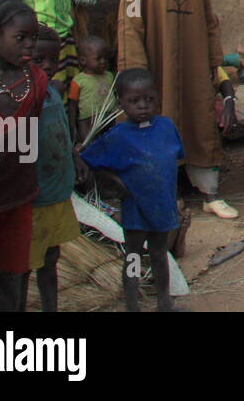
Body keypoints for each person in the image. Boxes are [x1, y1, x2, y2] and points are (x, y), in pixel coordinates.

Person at [118, 0, 238, 219]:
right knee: (160, 115)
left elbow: (209, 17)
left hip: (195, 57)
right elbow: (129, 15)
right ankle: (162, 192)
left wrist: (214, 63)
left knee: (198, 113)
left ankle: (209, 191)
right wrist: (134, 70)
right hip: (155, 57)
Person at [81, 69, 186, 312]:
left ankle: (164, 301)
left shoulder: (166, 127)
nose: (143, 106)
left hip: (162, 205)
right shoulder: (117, 136)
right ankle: (132, 305)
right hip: (136, 208)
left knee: (160, 253)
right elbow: (87, 160)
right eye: (134, 101)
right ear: (121, 103)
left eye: (150, 99)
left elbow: (174, 160)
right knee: (133, 256)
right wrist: (115, 183)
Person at [0, 0, 47, 313]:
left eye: (33, 38)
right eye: (20, 38)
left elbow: (32, 134)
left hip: (19, 197)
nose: (29, 46)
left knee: (13, 276)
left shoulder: (36, 81)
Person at [27, 27, 86, 312]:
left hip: (57, 194)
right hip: (32, 200)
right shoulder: (22, 99)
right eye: (40, 60)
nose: (49, 66)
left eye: (54, 59)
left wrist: (74, 157)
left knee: (51, 260)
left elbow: (62, 131)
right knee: (25, 265)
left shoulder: (53, 91)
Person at [73, 35, 116, 144]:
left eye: (106, 58)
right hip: (87, 121)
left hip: (108, 118)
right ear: (83, 60)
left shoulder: (110, 76)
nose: (103, 62)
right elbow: (72, 104)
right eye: (99, 58)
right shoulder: (78, 81)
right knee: (88, 146)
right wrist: (72, 125)